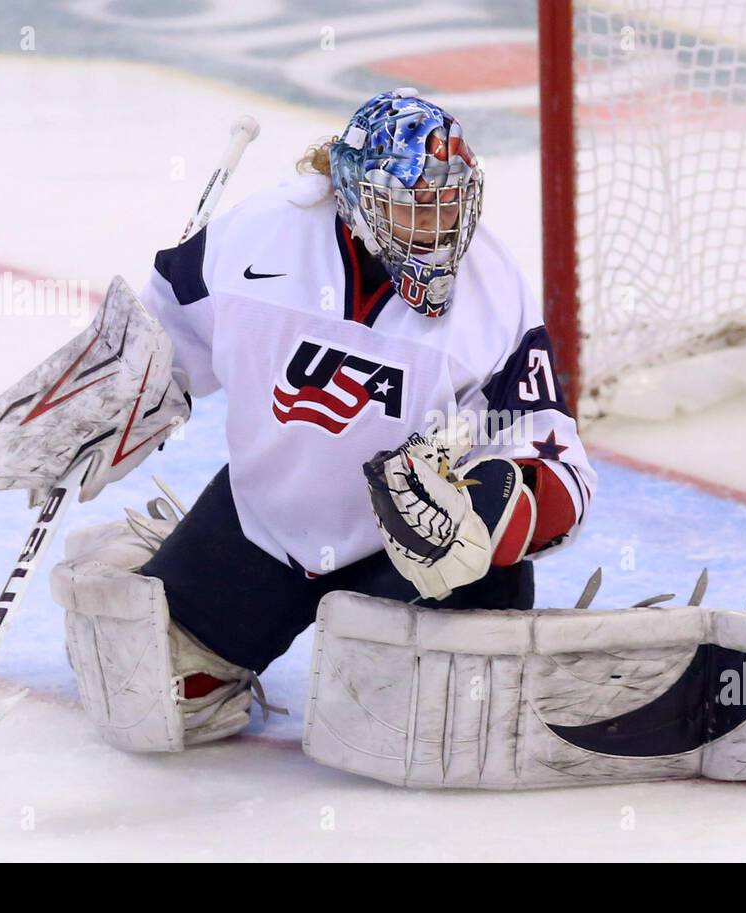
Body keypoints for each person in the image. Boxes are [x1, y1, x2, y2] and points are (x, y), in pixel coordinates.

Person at [68, 88, 596, 745]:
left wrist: (489, 519)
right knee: (150, 702)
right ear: (354, 195)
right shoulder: (256, 236)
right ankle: (167, 566)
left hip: (416, 556)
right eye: (413, 206)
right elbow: (163, 342)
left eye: (448, 202)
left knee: (431, 727)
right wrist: (103, 400)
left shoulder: (494, 290)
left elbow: (556, 459)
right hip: (267, 522)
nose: (437, 228)